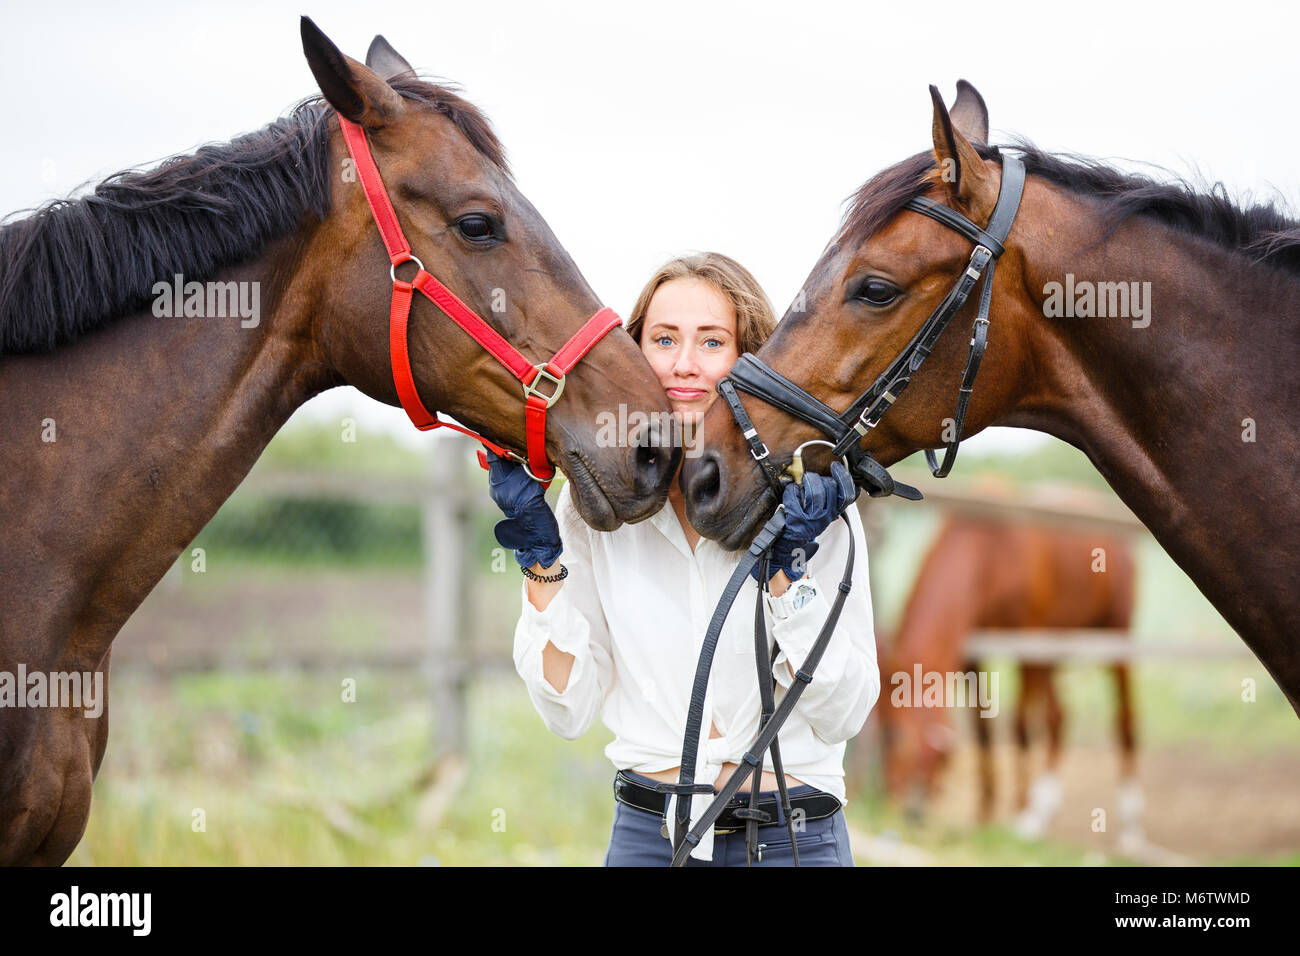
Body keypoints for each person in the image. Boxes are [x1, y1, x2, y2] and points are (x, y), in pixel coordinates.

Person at [490, 252, 879, 866]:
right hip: (652, 839)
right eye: (663, 339)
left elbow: (843, 713)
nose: (683, 365)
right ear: (633, 353)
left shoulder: (812, 509)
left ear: (750, 360)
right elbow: (569, 709)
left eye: (711, 342)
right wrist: (542, 562)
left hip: (791, 838)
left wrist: (788, 576)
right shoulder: (596, 508)